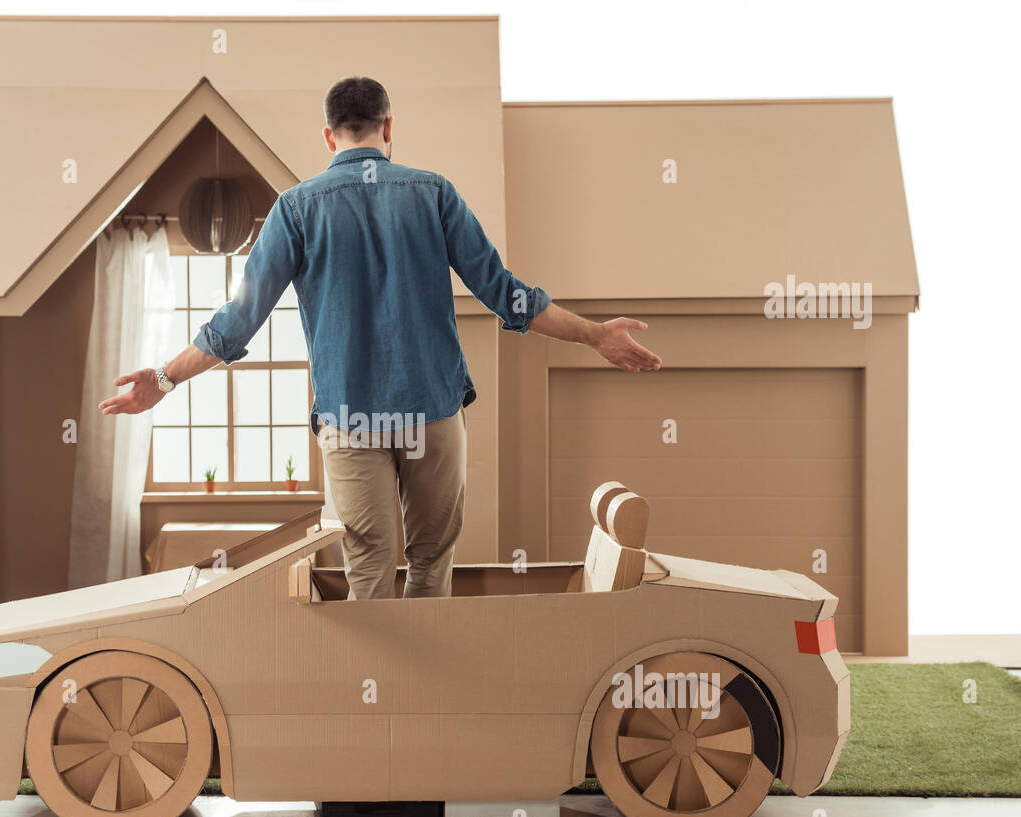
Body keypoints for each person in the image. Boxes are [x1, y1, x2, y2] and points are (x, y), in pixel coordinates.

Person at [101, 76, 661, 599]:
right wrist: (593, 335)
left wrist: (164, 379)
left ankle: (376, 701)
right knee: (431, 561)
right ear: (388, 128)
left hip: (351, 418)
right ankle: (424, 701)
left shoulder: (295, 208)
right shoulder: (433, 194)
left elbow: (239, 319)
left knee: (367, 564)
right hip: (433, 411)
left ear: (329, 136)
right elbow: (504, 294)